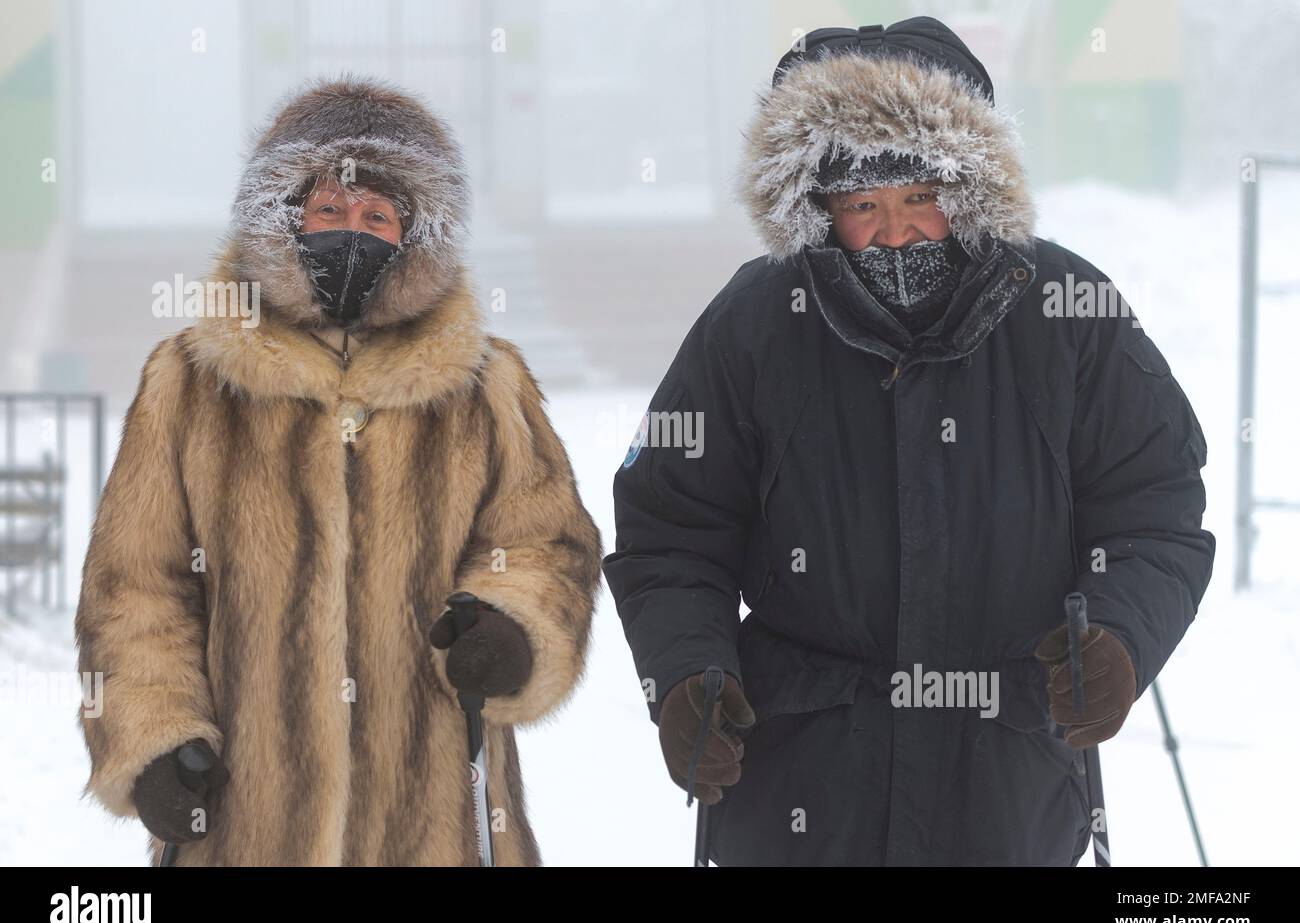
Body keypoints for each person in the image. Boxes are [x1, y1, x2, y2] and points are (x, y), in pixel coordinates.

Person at [603, 18, 1214, 865]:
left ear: (969, 190)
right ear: (818, 210)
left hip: (1008, 786)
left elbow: (1155, 511)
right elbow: (672, 532)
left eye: (919, 196)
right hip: (801, 790)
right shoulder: (754, 322)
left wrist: (1120, 638)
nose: (895, 233)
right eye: (863, 205)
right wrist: (685, 675)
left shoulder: (1070, 310)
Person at [74, 74, 603, 866]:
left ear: (413, 238)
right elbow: (135, 587)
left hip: (438, 822)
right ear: (284, 219)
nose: (351, 229)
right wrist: (153, 739)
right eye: (329, 209)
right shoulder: (189, 384)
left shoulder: (485, 388)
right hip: (246, 820)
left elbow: (546, 544)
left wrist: (511, 624)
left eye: (377, 215)